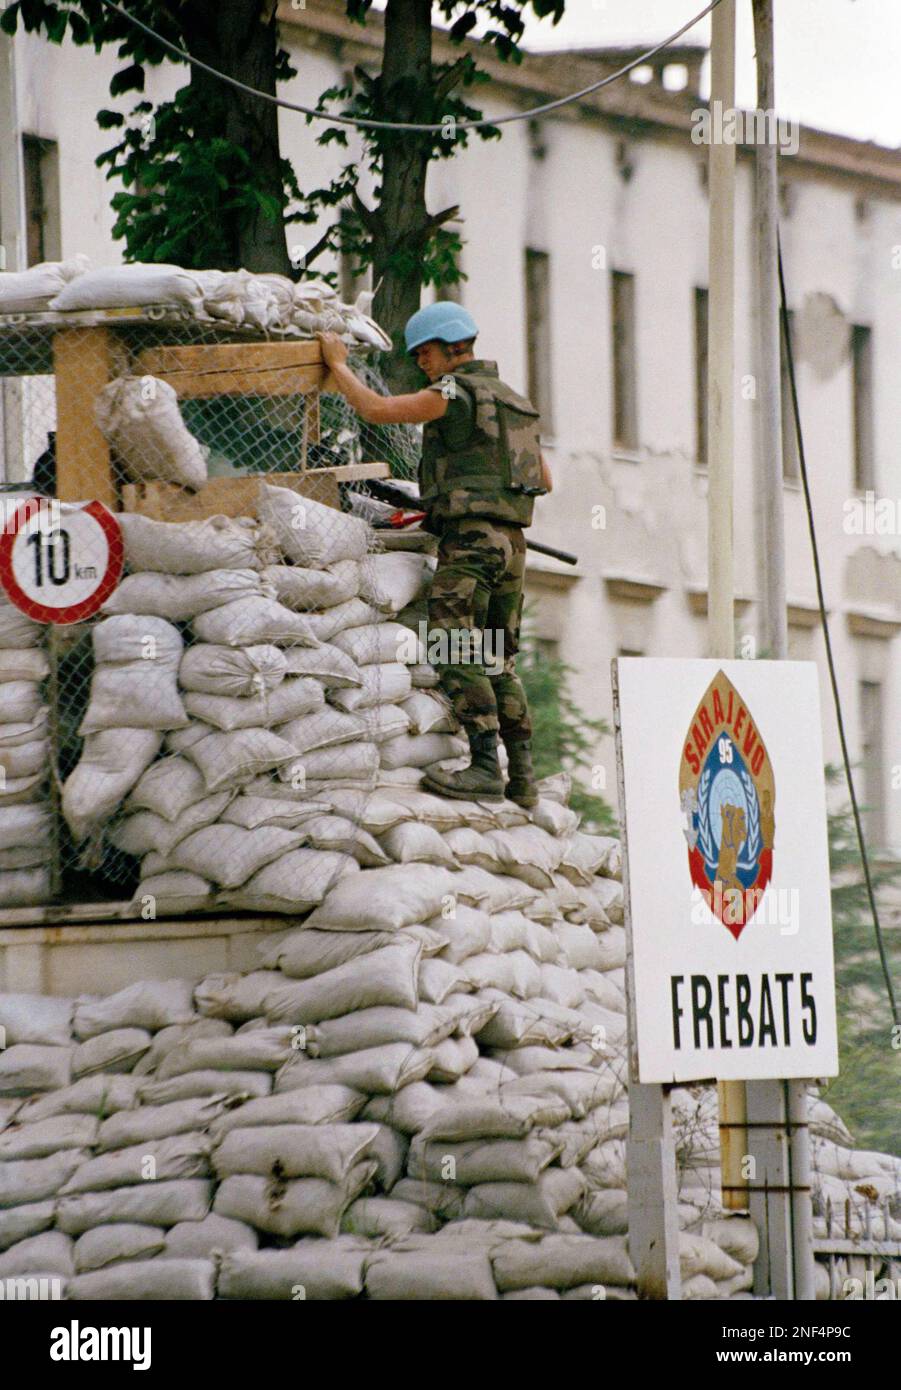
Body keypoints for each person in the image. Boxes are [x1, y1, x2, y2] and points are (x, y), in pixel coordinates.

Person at [317, 301, 551, 806]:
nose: (423, 365)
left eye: (425, 354)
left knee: (450, 643)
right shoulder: (515, 401)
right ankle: (524, 779)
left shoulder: (452, 391)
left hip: (470, 543)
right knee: (497, 659)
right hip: (512, 545)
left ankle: (485, 766)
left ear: (451, 349)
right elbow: (542, 479)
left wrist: (337, 366)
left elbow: (377, 411)